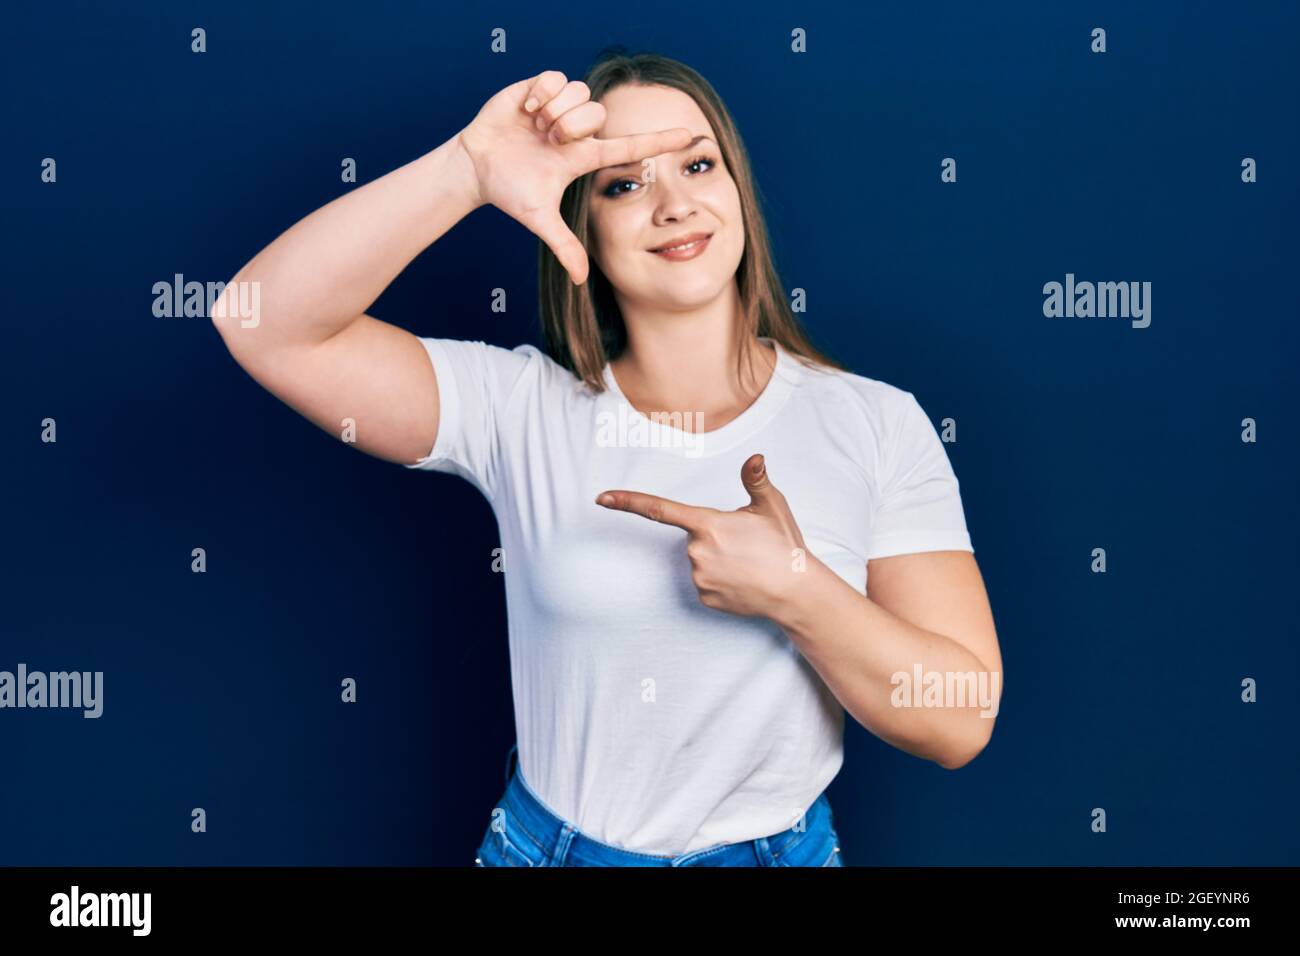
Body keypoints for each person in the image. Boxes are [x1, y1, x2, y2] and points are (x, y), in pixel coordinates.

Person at [210, 51, 1003, 867]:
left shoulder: (874, 420)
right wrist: (469, 169)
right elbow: (260, 321)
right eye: (623, 184)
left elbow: (961, 719)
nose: (674, 204)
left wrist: (795, 589)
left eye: (698, 164)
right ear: (578, 224)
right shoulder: (517, 408)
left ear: (736, 190)